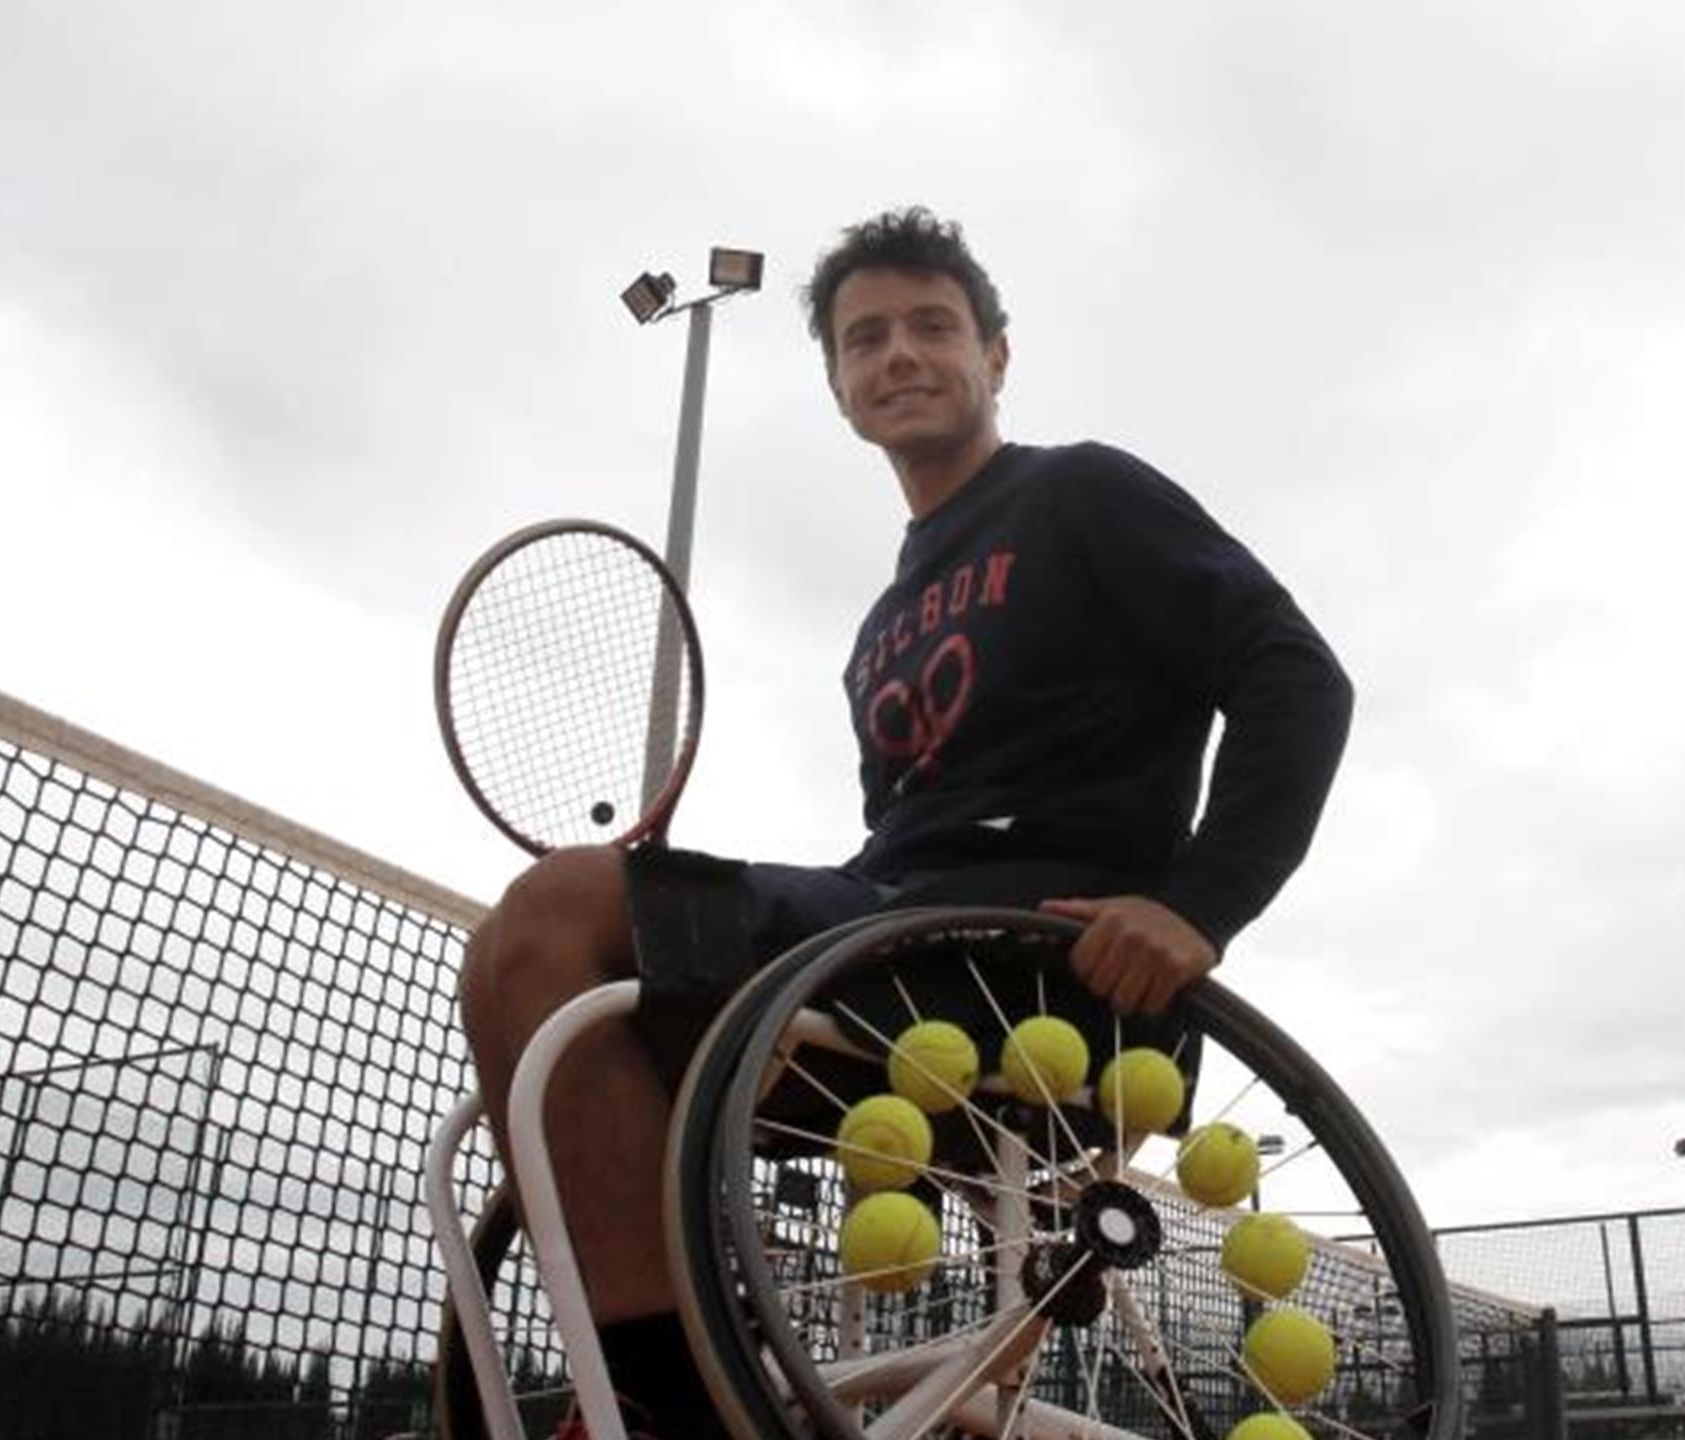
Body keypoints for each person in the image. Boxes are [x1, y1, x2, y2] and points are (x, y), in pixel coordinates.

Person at [456, 207, 1354, 1437]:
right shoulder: (881, 627)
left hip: (1035, 968)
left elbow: (1295, 677)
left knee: (560, 910)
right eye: (864, 337)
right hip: (890, 940)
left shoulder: (1083, 492)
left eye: (933, 325)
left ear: (995, 354)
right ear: (837, 387)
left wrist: (1201, 905)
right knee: (532, 965)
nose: (900, 354)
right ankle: (659, 1367)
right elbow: (900, 848)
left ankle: (671, 1404)